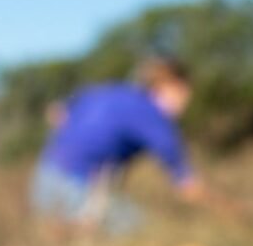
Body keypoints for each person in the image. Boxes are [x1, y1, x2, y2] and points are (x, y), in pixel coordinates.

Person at [31, 57, 209, 233]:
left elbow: (57, 113)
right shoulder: (154, 119)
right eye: (182, 93)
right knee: (141, 229)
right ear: (167, 86)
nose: (186, 101)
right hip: (75, 189)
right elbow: (186, 184)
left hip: (44, 179)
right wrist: (214, 206)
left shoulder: (113, 92)